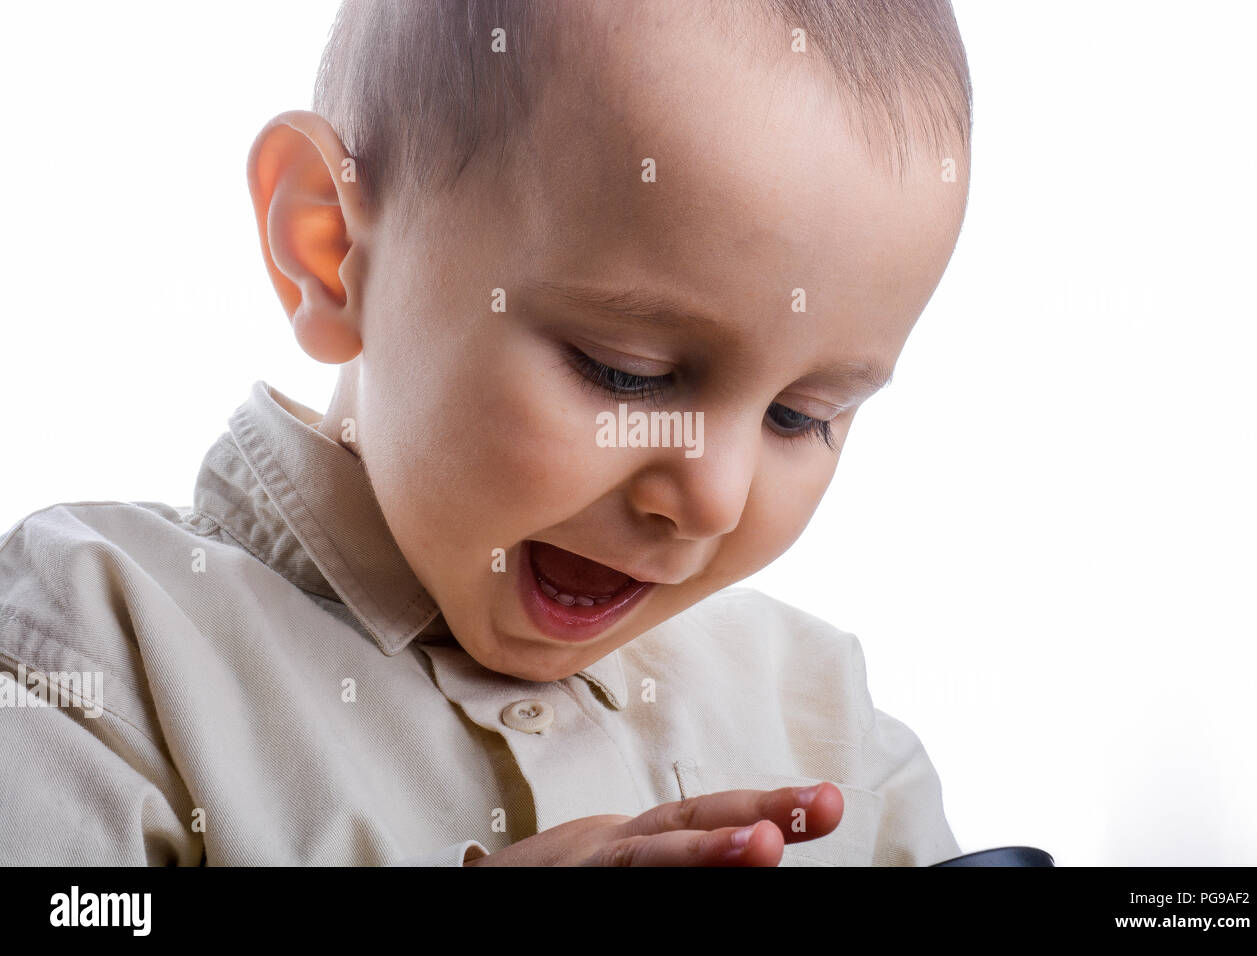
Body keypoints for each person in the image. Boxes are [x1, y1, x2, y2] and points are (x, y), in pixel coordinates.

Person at [0, 0, 972, 865]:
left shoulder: (829, 723)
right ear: (328, 252)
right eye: (624, 371)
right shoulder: (92, 648)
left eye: (802, 416)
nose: (712, 495)